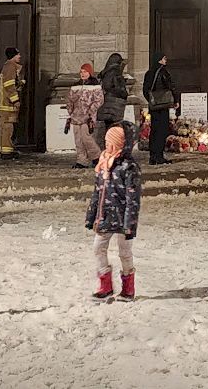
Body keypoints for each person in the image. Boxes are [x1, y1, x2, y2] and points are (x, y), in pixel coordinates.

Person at [85, 122, 141, 301]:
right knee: (98, 248)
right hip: (105, 216)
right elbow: (97, 192)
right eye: (106, 142)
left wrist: (130, 225)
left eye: (111, 143)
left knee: (124, 253)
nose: (107, 146)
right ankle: (105, 285)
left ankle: (128, 288)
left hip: (123, 219)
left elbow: (133, 199)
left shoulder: (129, 168)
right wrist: (91, 215)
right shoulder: (103, 164)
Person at [64, 63, 105, 168]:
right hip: (76, 116)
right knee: (78, 139)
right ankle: (81, 160)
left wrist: (91, 111)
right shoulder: (75, 86)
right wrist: (70, 110)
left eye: (85, 72)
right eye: (81, 71)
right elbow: (69, 99)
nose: (83, 74)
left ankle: (97, 156)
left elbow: (99, 100)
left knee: (86, 138)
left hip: (88, 117)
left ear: (90, 73)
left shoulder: (95, 86)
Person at [143, 54, 178, 165]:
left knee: (154, 130)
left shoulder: (149, 73)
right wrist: (175, 100)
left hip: (154, 106)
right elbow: (170, 87)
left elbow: (145, 89)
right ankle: (159, 156)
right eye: (163, 58)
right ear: (159, 60)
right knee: (162, 130)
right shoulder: (163, 72)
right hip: (163, 106)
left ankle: (153, 156)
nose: (165, 60)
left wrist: (151, 100)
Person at [94, 52, 129, 142]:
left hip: (109, 103)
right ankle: (111, 150)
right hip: (113, 104)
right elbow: (108, 86)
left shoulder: (107, 71)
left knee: (110, 128)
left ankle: (110, 150)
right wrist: (121, 91)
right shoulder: (114, 71)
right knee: (113, 129)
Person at [0, 48, 23, 158]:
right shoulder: (10, 67)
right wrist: (15, 100)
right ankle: (6, 152)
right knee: (7, 127)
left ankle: (8, 149)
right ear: (13, 56)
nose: (20, 56)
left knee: (9, 127)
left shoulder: (10, 66)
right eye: (18, 54)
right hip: (7, 104)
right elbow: (9, 85)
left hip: (7, 104)